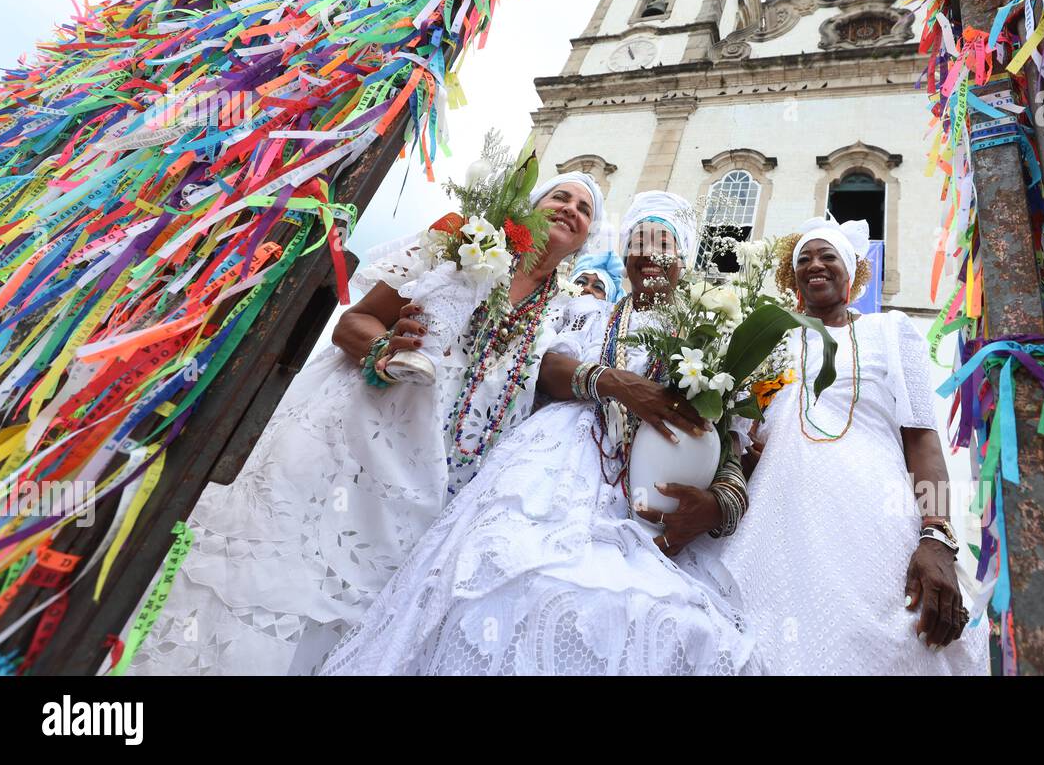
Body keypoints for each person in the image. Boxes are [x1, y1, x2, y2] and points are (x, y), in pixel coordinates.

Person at [118, 172, 604, 676]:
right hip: (345, 439)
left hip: (424, 488)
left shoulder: (564, 314)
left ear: (588, 238)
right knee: (271, 581)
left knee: (344, 619)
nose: (570, 208)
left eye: (584, 209)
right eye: (559, 196)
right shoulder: (463, 240)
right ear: (530, 206)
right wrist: (383, 349)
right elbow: (353, 322)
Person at [319, 191, 755, 675]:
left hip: (652, 500)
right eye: (640, 241)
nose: (651, 253)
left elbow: (728, 440)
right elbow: (542, 366)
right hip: (559, 460)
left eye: (665, 243)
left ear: (684, 259)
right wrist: (610, 382)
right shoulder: (588, 314)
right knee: (502, 566)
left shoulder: (716, 338)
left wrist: (719, 506)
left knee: (668, 621)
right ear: (625, 256)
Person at [689, 216, 989, 675]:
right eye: (803, 259)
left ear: (851, 273)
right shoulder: (768, 341)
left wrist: (937, 535)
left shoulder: (890, 330)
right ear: (792, 280)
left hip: (875, 518)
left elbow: (924, 441)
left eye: (828, 256)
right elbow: (736, 437)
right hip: (774, 524)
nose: (815, 265)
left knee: (898, 641)